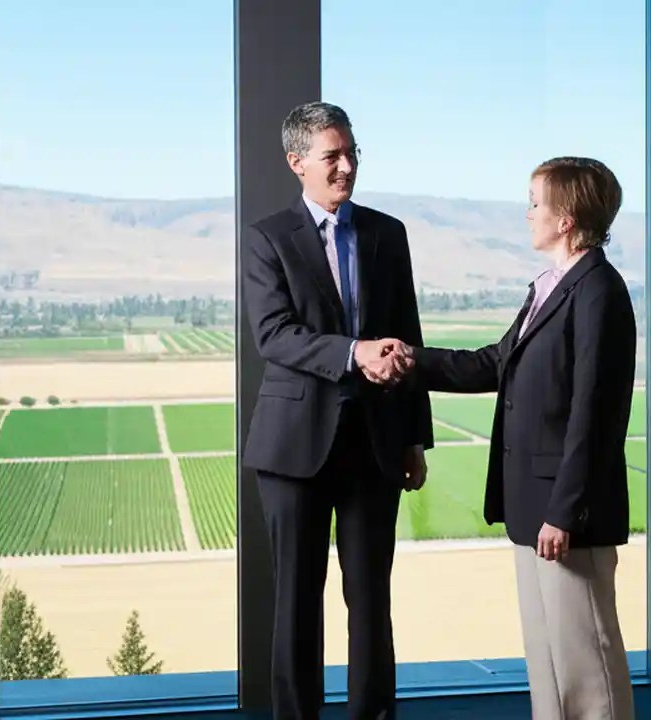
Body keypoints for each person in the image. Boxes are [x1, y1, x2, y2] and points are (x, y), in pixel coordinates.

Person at [382, 157, 636, 719]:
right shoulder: (551, 287)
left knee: (587, 664)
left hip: (567, 515)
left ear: (566, 217)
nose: (527, 215)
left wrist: (565, 512)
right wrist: (411, 360)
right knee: (548, 663)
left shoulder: (598, 292)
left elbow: (596, 415)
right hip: (533, 506)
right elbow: (496, 365)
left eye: (535, 202)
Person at [240, 100, 433, 720]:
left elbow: (408, 338)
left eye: (352, 153)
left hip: (374, 443)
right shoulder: (267, 238)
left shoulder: (386, 234)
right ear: (297, 162)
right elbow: (273, 335)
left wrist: (414, 440)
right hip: (293, 446)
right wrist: (354, 352)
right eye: (333, 156)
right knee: (297, 601)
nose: (346, 166)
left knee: (371, 598)